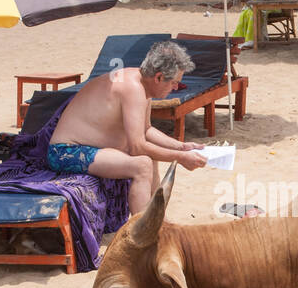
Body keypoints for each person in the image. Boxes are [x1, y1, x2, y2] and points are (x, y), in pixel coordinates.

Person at [47, 41, 206, 215]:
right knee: (142, 165)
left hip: (91, 149)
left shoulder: (141, 84)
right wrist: (180, 157)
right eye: (174, 82)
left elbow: (146, 130)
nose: (176, 87)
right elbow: (136, 147)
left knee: (151, 157)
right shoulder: (133, 88)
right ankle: (142, 234)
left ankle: (157, 221)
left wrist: (181, 146)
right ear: (159, 77)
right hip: (65, 152)